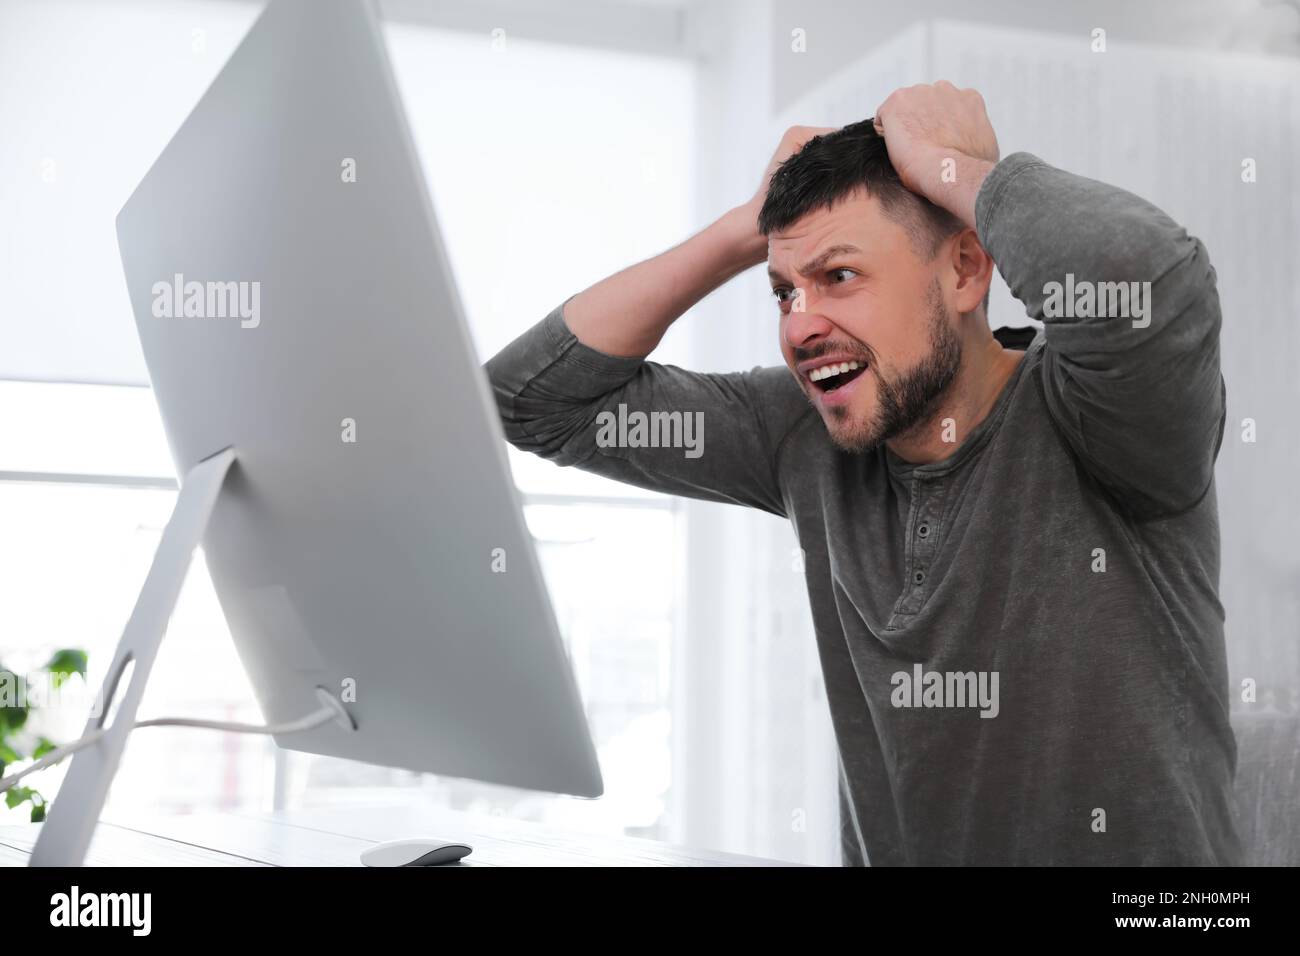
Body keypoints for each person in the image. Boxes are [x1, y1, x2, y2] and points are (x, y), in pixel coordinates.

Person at [486, 82, 1240, 865]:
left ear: (965, 271)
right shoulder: (801, 434)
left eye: (838, 276)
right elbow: (530, 403)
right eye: (784, 290)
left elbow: (1148, 279)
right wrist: (750, 226)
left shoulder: (1111, 417)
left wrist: (954, 172)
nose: (800, 323)